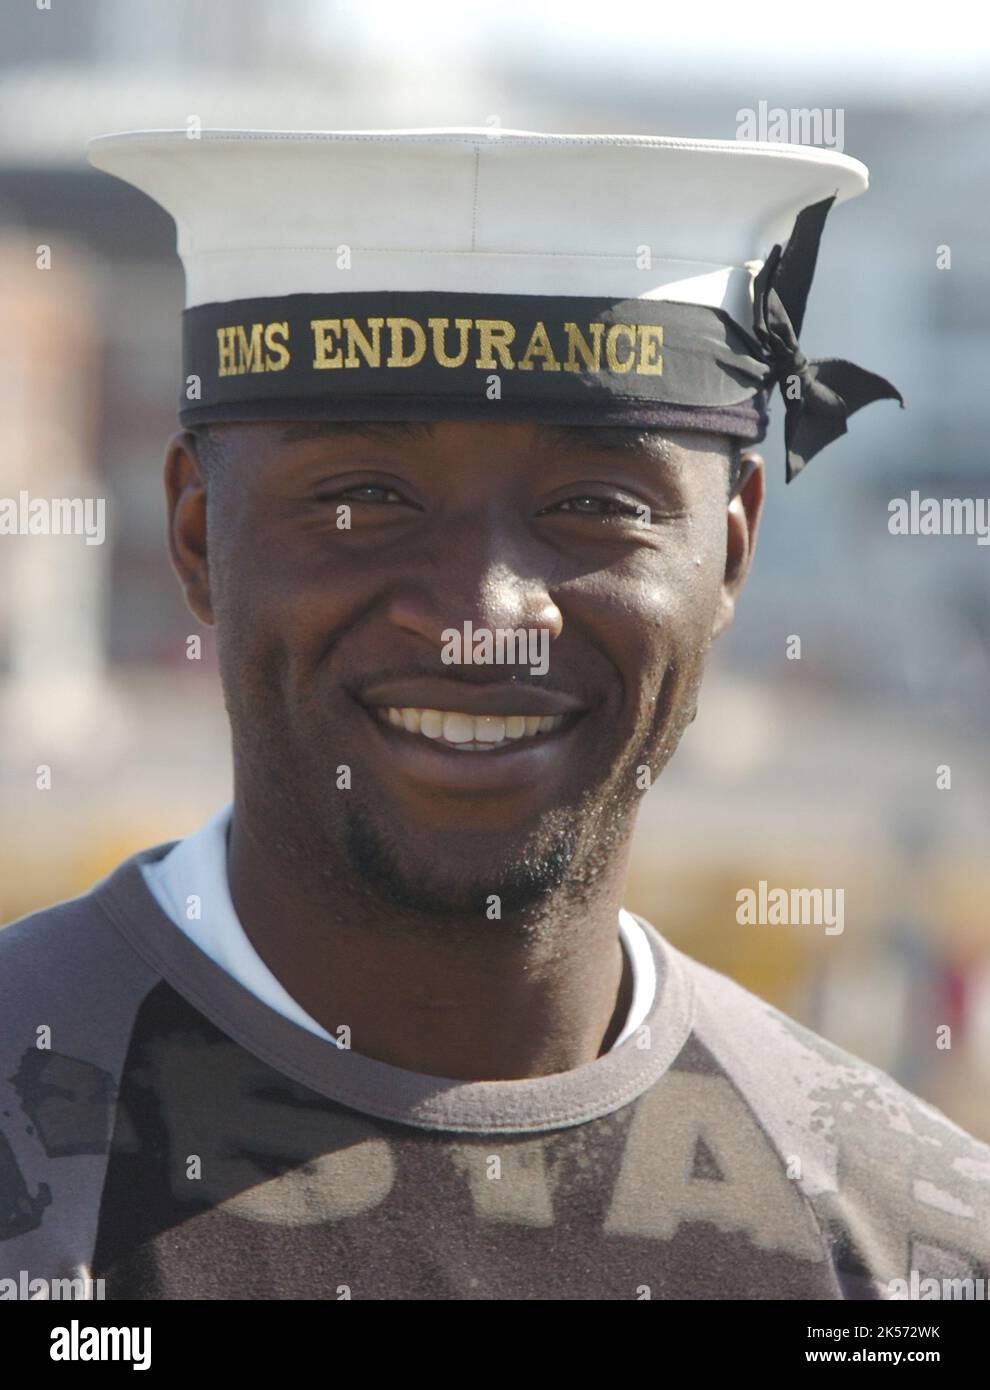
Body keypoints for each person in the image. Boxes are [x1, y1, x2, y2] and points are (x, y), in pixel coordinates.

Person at [2, 127, 986, 1302]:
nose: (483, 615)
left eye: (594, 503)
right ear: (199, 534)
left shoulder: (902, 1253)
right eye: (367, 498)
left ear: (731, 556)